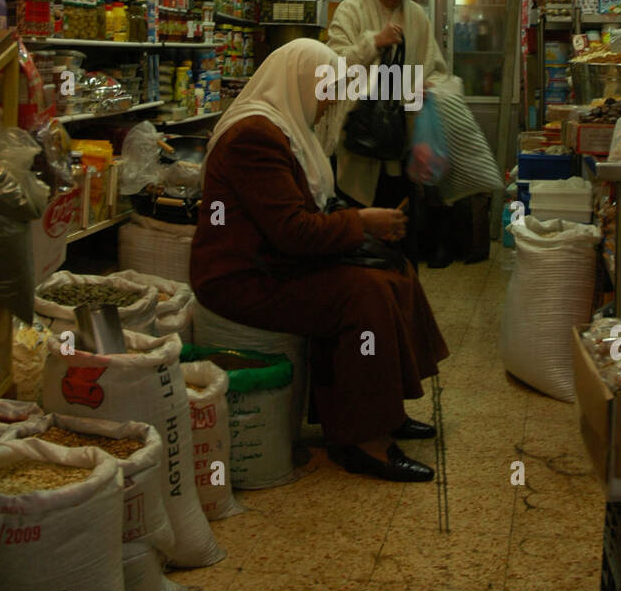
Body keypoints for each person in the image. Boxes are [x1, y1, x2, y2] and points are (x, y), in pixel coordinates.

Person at [190, 38, 449, 483]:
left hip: (274, 262)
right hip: (241, 278)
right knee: (362, 294)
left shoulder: (286, 127)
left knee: (394, 268)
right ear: (299, 82)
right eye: (326, 88)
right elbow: (293, 231)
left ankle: (386, 410)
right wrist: (363, 222)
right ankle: (361, 439)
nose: (330, 101)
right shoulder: (254, 137)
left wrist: (366, 227)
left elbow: (308, 211)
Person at [326, 0, 455, 267]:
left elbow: (436, 69)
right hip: (358, 138)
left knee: (398, 235)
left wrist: (429, 87)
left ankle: (397, 294)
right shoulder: (351, 10)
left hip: (401, 144)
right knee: (360, 236)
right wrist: (374, 43)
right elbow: (334, 67)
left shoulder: (416, 17)